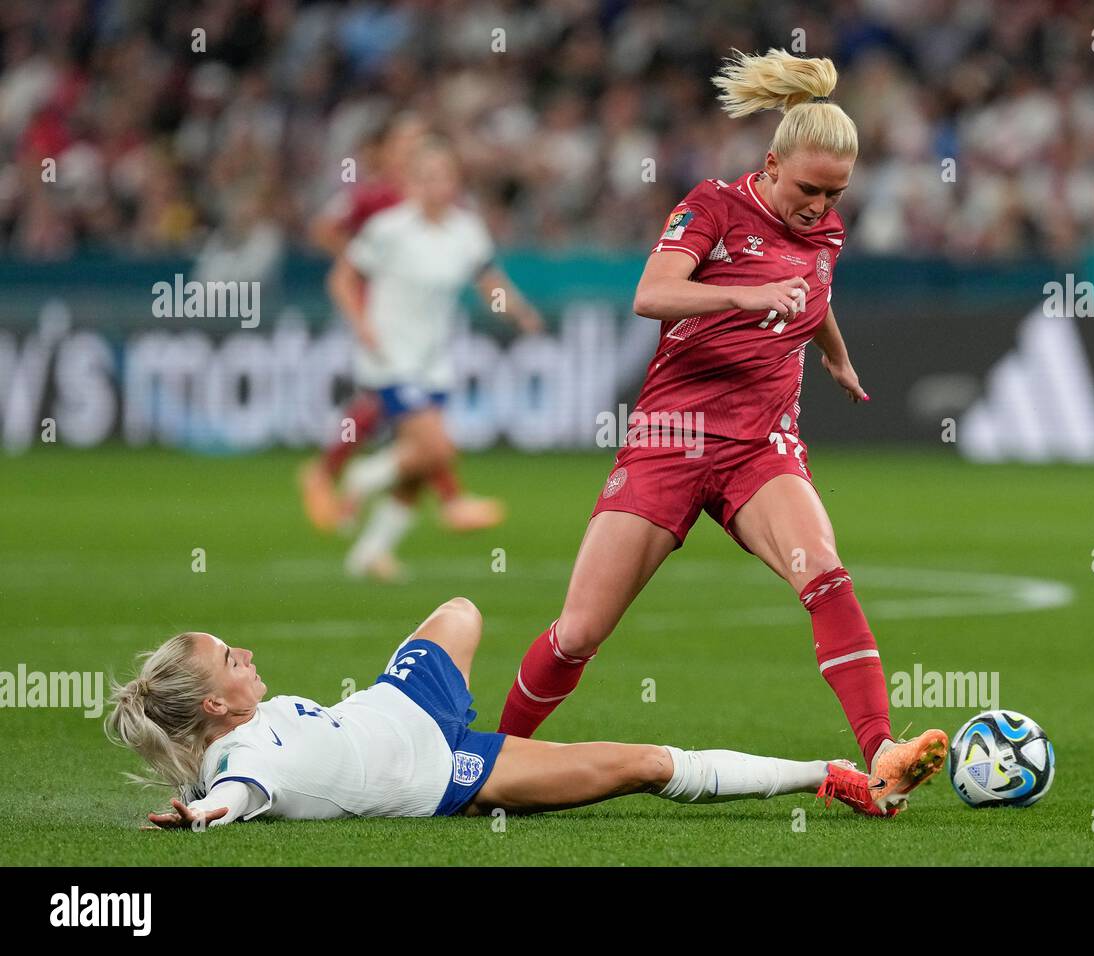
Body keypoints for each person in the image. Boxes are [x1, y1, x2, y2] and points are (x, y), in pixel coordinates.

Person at [493, 49, 946, 816]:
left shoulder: (826, 228)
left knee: (826, 574)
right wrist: (743, 296)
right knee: (578, 633)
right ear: (771, 165)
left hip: (759, 444)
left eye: (835, 193)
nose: (819, 206)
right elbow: (652, 294)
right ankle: (488, 762)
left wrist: (835, 356)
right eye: (807, 188)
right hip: (669, 436)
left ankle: (881, 756)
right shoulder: (711, 206)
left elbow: (814, 288)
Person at [104, 597, 894, 828]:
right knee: (648, 765)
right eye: (228, 657)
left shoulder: (253, 717)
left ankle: (513, 733)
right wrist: (201, 816)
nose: (243, 652)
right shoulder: (237, 763)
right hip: (448, 770)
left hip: (400, 705)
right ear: (213, 703)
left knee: (461, 611)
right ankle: (833, 776)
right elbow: (235, 793)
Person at [326, 136, 543, 580]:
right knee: (436, 447)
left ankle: (370, 551)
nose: (435, 185)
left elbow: (488, 282)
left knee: (419, 465)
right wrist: (362, 324)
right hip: (389, 356)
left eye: (443, 177)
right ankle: (362, 477)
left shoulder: (466, 230)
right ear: (411, 182)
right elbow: (343, 279)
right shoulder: (388, 229)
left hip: (433, 360)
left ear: (455, 182)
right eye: (425, 177)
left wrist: (516, 310)